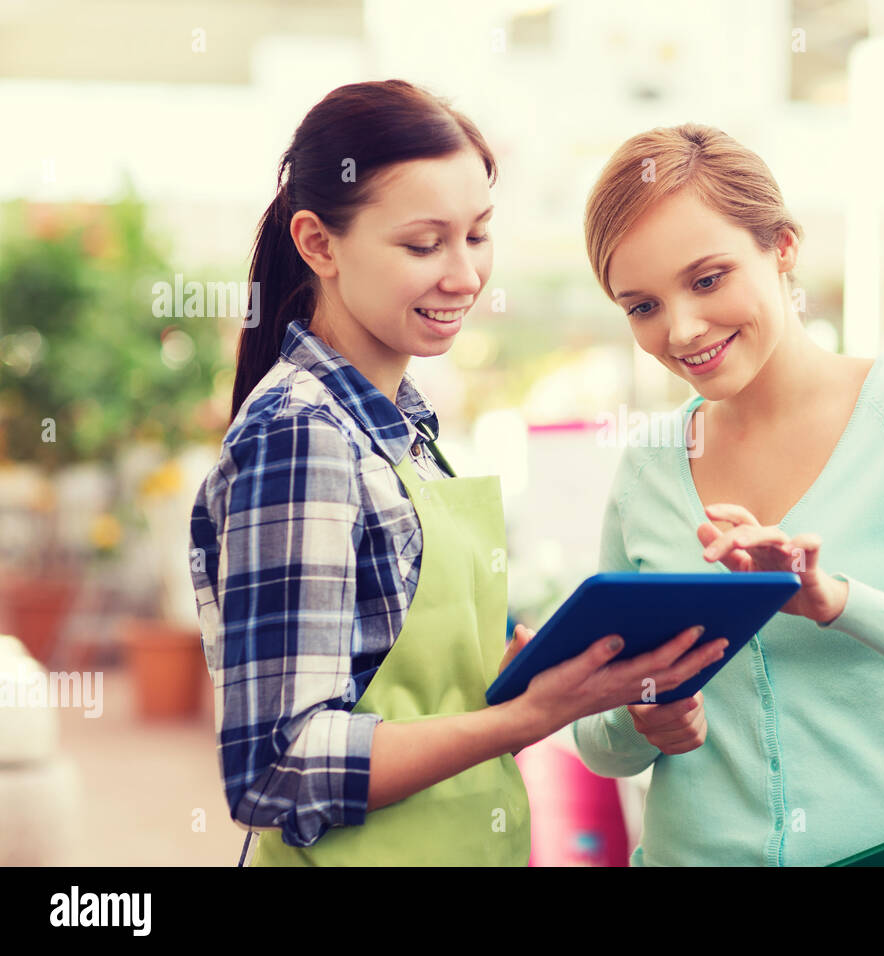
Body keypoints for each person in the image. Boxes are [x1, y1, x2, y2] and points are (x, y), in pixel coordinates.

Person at [188, 81, 727, 866]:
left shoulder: (402, 429)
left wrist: (544, 677)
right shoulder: (301, 439)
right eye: (423, 244)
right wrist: (524, 717)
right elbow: (278, 771)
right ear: (318, 243)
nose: (465, 276)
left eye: (478, 235)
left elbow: (404, 690)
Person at [573, 123, 884, 866]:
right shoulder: (649, 469)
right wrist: (641, 718)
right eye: (642, 306)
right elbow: (600, 743)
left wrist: (840, 602)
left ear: (782, 247)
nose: (681, 330)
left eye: (708, 279)